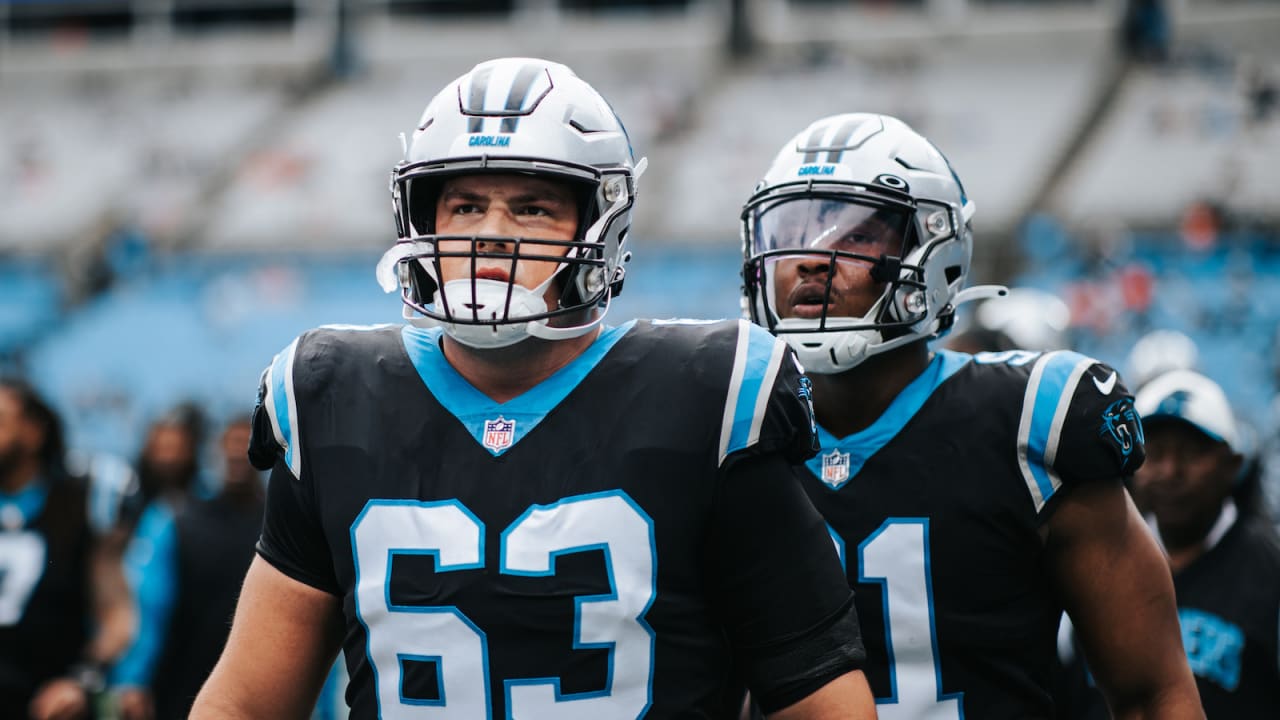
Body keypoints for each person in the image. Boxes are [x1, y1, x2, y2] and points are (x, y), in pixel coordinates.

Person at [192, 57, 876, 720]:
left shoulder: (709, 396)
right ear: (422, 220)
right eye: (464, 205)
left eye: (532, 209)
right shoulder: (331, 396)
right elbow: (247, 700)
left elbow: (822, 703)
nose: (491, 234)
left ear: (598, 225)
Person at [739, 112, 1203, 718]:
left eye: (853, 234)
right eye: (789, 231)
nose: (809, 258)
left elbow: (1152, 693)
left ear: (935, 251)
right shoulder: (733, 430)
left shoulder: (1027, 424)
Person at [1129, 370, 1277, 716]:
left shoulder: (1270, 570)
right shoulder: (1100, 558)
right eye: (1155, 453)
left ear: (1232, 466)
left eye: (1191, 454)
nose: (1170, 471)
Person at [111, 416, 266, 720]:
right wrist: (132, 679)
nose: (237, 453)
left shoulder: (283, 524)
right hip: (180, 685)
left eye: (245, 443)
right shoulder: (175, 518)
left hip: (258, 690)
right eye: (229, 444)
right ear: (215, 452)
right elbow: (149, 608)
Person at [0, 377, 137, 720]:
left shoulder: (78, 508)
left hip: (45, 703)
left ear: (34, 432)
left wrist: (81, 680)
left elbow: (117, 619)